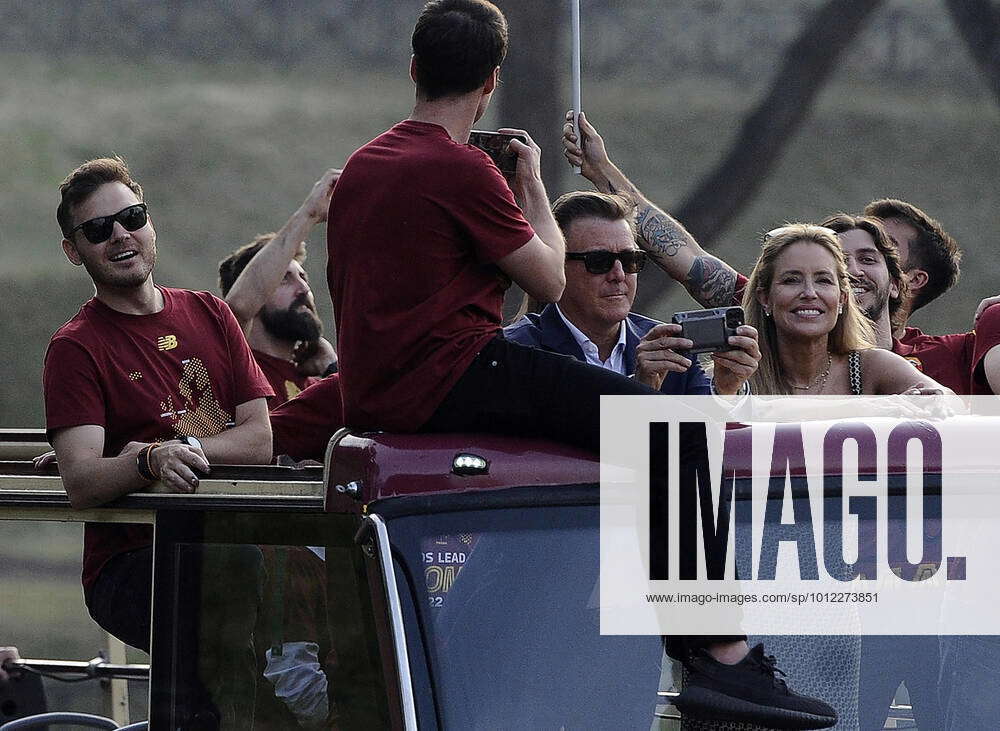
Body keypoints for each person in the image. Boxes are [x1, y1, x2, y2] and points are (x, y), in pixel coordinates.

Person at [327, 2, 835, 727]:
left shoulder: (363, 165)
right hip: (454, 376)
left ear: (414, 68)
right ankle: (721, 653)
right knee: (667, 429)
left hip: (374, 392)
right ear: (492, 81)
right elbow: (548, 277)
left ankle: (701, 644)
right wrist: (532, 183)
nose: (618, 273)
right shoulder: (461, 168)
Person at [45, 156, 273, 727]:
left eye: (132, 218)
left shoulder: (210, 313)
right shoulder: (76, 347)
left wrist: (174, 450)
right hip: (133, 562)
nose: (121, 235)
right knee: (221, 611)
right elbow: (81, 479)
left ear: (150, 223)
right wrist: (150, 461)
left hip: (226, 545)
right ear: (74, 251)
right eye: (99, 229)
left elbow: (258, 440)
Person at [562, 111, 1000, 396]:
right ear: (766, 297)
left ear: (905, 281)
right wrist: (602, 172)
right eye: (837, 259)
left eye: (869, 258)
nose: (849, 270)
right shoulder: (770, 322)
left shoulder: (957, 353)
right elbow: (685, 256)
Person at [505, 190, 760, 396]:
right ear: (558, 266)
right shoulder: (516, 351)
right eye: (599, 261)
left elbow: (702, 437)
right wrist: (636, 392)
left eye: (630, 260)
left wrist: (725, 390)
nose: (618, 274)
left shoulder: (669, 348)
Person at [219, 168, 340, 406]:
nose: (304, 288)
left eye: (303, 277)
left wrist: (331, 367)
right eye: (285, 278)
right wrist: (310, 213)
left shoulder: (317, 385)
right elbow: (239, 306)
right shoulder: (231, 372)